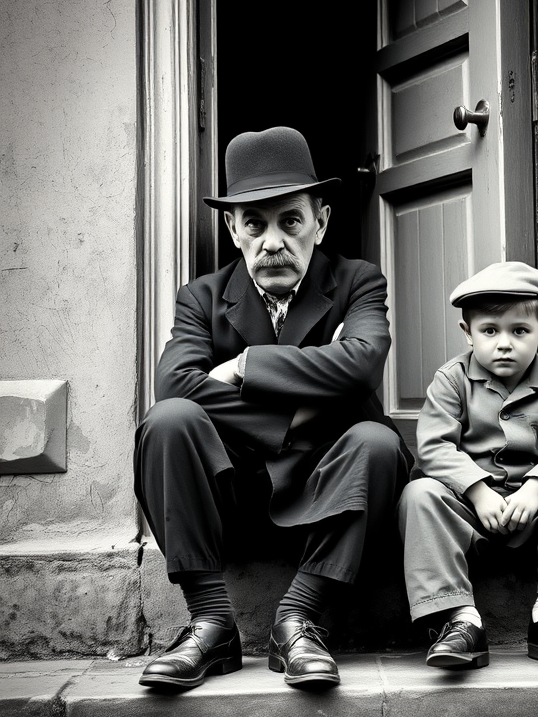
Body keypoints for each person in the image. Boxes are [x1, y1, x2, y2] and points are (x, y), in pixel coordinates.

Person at [134, 127, 410, 690]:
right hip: (231, 490)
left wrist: (244, 367)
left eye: (290, 221)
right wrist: (305, 408)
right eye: (255, 224)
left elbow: (360, 364)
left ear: (321, 222)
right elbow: (175, 385)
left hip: (327, 488)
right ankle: (212, 623)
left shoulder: (358, 282)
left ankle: (299, 618)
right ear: (233, 229)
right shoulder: (201, 297)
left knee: (378, 443)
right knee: (166, 422)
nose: (273, 241)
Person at [398, 261, 538, 671]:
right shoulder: (452, 379)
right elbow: (433, 446)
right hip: (469, 514)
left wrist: (536, 488)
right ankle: (460, 621)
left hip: (535, 513)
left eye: (520, 331)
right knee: (419, 493)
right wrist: (476, 490)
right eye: (489, 331)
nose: (504, 343)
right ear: (468, 333)